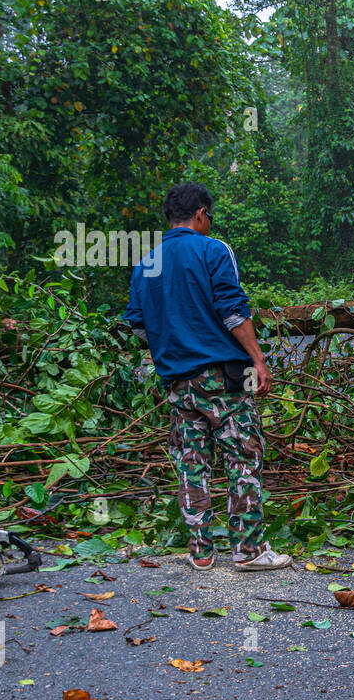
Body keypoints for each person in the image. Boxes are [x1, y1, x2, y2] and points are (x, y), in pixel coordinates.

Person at [122, 182, 291, 572]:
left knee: (191, 464)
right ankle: (249, 552)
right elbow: (233, 311)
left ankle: (201, 552)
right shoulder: (214, 250)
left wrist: (172, 343)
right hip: (225, 380)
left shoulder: (147, 262)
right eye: (209, 217)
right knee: (243, 459)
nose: (210, 224)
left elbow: (137, 326)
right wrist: (259, 360)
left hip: (177, 383)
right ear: (200, 214)